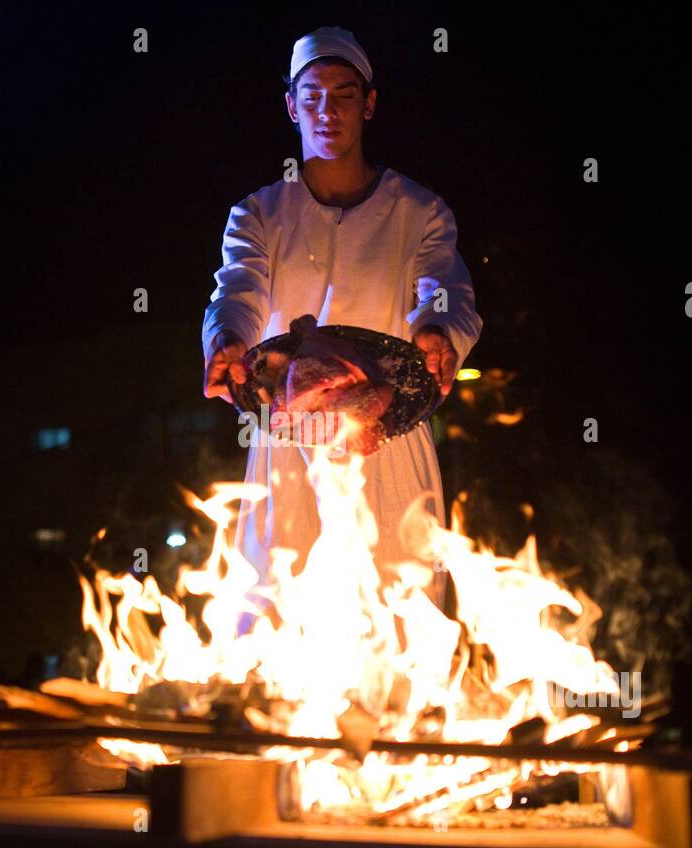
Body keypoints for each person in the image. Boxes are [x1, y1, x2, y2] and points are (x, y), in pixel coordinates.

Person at [202, 26, 482, 613]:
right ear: (291, 106)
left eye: (344, 94)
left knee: (400, 630)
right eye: (313, 96)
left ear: (370, 103)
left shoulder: (418, 210)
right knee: (278, 631)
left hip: (388, 444)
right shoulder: (259, 213)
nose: (327, 111)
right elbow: (240, 288)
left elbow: (444, 289)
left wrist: (438, 333)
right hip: (288, 445)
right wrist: (229, 340)